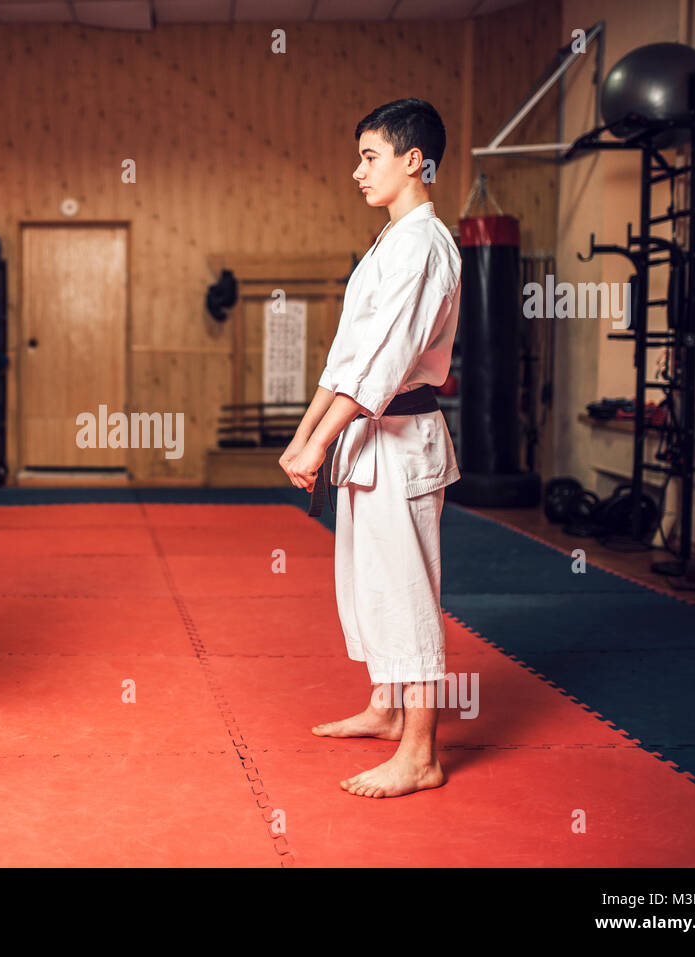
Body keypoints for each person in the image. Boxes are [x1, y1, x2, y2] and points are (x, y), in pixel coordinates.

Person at [280, 98, 461, 798]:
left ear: (413, 160)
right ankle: (388, 710)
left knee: (407, 590)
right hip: (369, 440)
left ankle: (421, 752)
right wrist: (304, 437)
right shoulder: (391, 242)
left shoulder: (422, 245)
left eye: (370, 156)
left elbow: (382, 369)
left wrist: (319, 445)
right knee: (372, 584)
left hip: (400, 438)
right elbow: (346, 358)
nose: (357, 171)